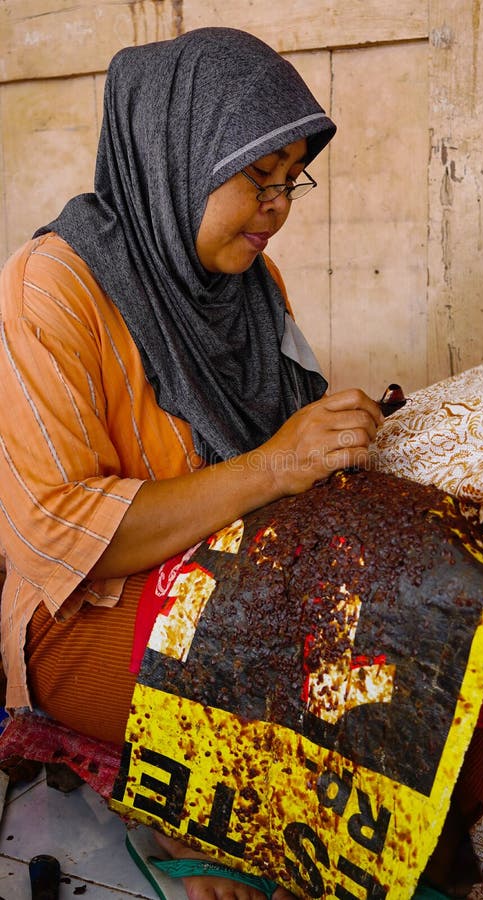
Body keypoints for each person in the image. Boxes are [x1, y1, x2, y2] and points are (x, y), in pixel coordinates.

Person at [0, 27, 384, 900]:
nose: (278, 205)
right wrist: (275, 467)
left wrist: (335, 442)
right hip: (80, 615)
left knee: (390, 623)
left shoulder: (256, 290)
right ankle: (201, 833)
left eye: (292, 180)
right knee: (278, 658)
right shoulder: (49, 289)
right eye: (259, 177)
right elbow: (55, 534)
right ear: (176, 148)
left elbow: (296, 448)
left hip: (230, 578)